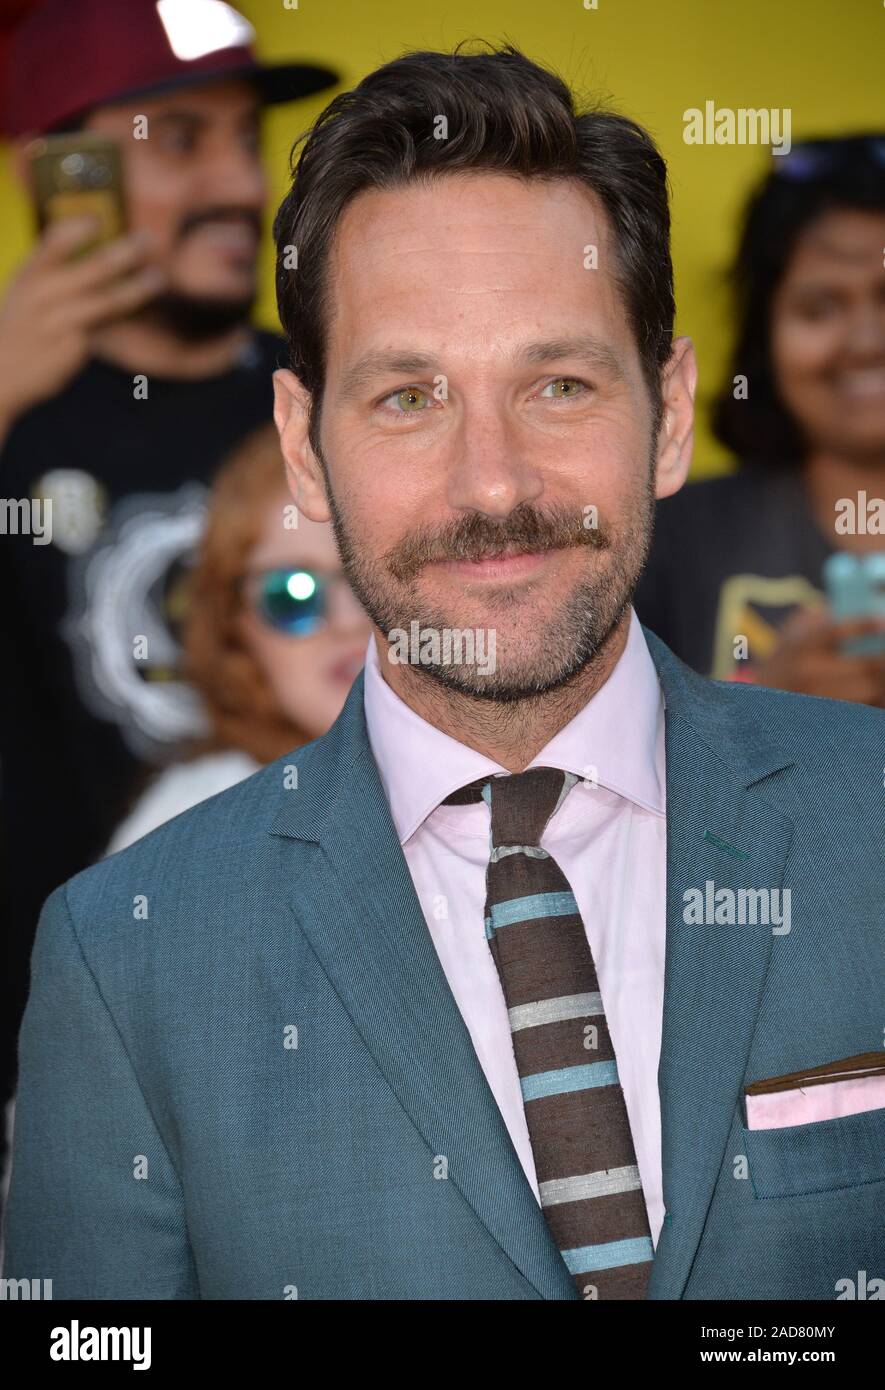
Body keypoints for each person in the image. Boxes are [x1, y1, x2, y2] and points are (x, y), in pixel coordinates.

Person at [3, 46, 883, 1301]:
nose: (494, 485)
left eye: (560, 383)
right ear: (302, 446)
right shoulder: (124, 962)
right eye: (410, 396)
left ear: (672, 411)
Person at [0, 0, 337, 1197]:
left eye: (248, 142)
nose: (240, 185)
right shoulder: (12, 413)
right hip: (58, 1075)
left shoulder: (329, 393)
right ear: (60, 172)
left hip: (317, 1039)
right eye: (180, 138)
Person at [635, 135, 885, 696]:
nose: (867, 342)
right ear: (763, 338)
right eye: (819, 307)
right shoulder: (667, 535)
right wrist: (766, 709)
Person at [107, 424, 370, 852]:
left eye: (367, 579)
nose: (348, 621)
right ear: (237, 632)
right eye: (289, 595)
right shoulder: (190, 824)